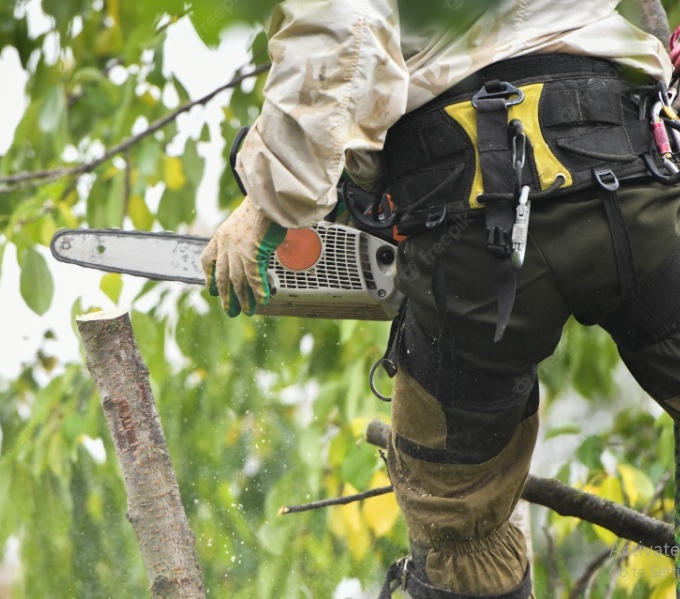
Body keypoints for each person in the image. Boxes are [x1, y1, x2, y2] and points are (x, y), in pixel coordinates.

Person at [200, 1, 679, 597]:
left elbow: (339, 25)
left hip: (470, 234)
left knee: (460, 531)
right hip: (638, 183)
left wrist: (270, 200)